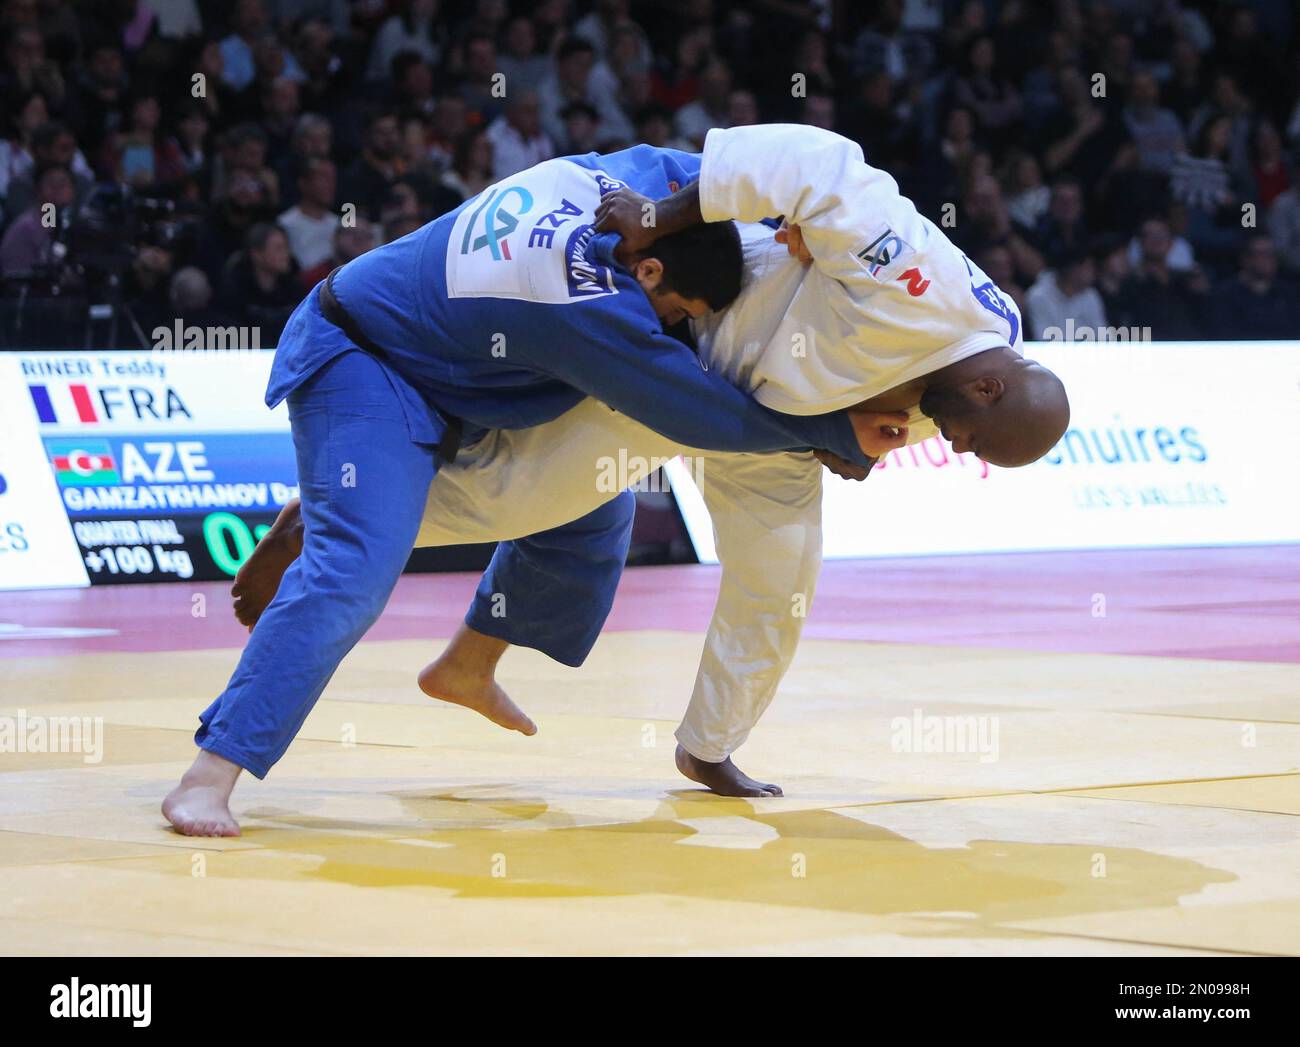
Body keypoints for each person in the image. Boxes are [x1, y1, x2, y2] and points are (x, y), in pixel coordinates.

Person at [230, 126, 1070, 801]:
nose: (957, 449)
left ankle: (707, 749)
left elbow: (869, 438)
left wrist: (850, 447)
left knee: (781, 583)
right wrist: (665, 219)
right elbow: (820, 164)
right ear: (990, 385)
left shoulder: (981, 387)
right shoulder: (919, 282)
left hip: (777, 425)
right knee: (523, 499)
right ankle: (338, 515)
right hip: (694, 352)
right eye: (969, 438)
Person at [161, 145, 888, 836]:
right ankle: (210, 771)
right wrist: (830, 433)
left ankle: (466, 663)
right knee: (354, 568)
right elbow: (697, 414)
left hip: (462, 369)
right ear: (650, 274)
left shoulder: (634, 186)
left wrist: (789, 218)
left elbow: (710, 172)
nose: (680, 329)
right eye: (679, 313)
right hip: (364, 362)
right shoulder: (586, 301)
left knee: (595, 503)